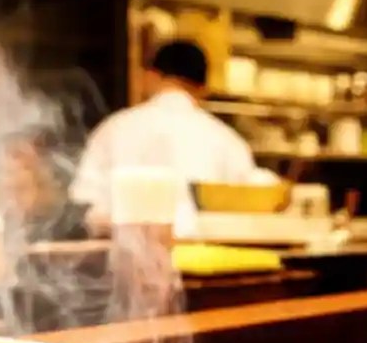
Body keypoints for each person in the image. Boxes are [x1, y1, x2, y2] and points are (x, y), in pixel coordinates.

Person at [70, 40, 256, 237]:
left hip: (123, 255)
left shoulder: (114, 127)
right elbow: (245, 211)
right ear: (204, 88)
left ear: (150, 76)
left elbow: (86, 203)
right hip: (203, 257)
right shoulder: (228, 140)